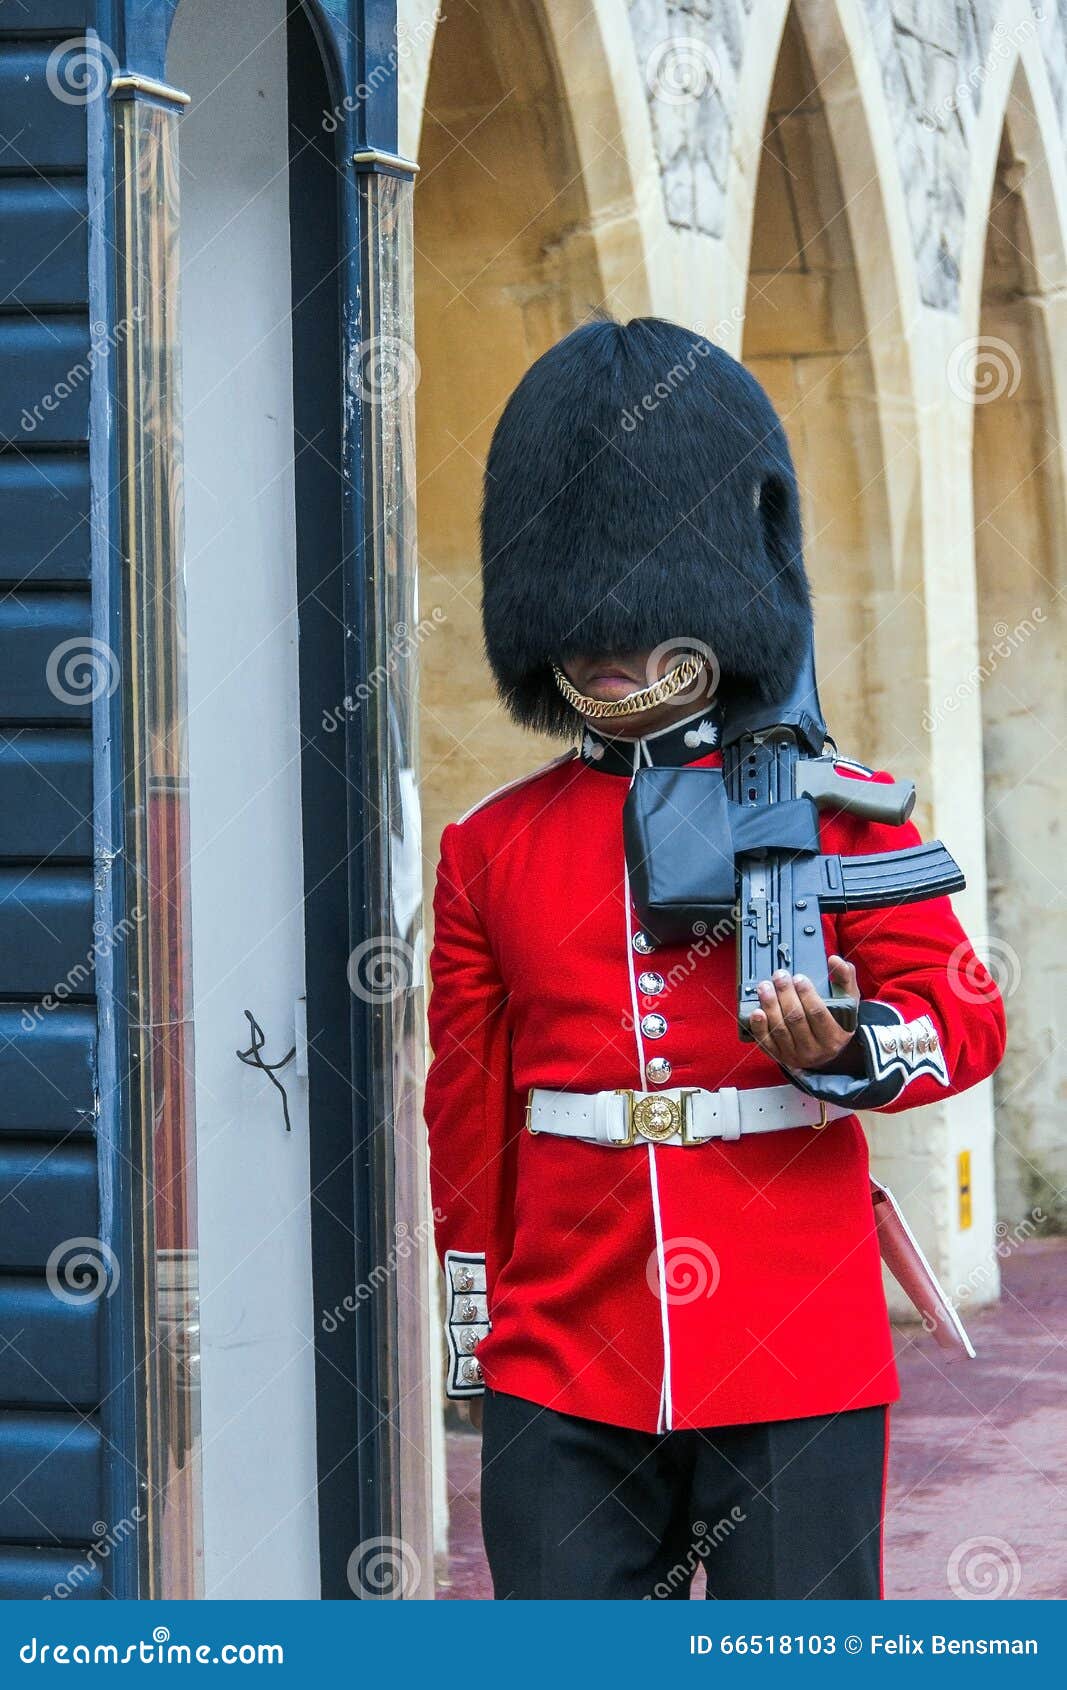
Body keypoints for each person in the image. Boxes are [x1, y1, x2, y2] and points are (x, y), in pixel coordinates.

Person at [423, 316, 1006, 1600]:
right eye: (581, 626)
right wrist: (474, 1333)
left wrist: (849, 1047)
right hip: (562, 1349)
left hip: (792, 1339)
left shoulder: (831, 801)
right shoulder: (488, 848)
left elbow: (960, 1017)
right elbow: (468, 1119)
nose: (609, 649)